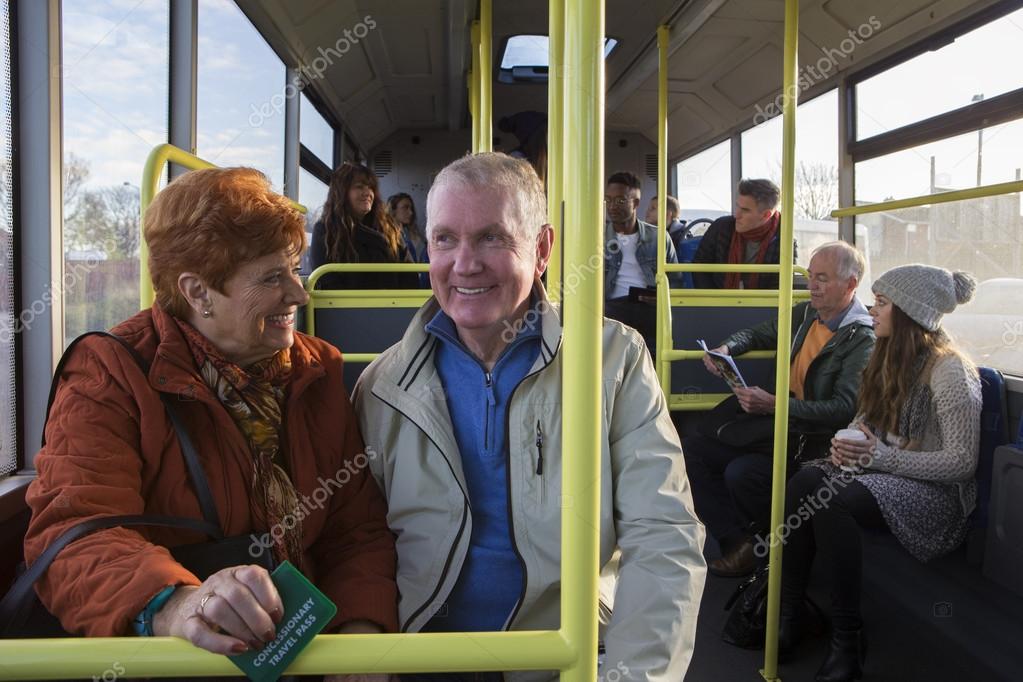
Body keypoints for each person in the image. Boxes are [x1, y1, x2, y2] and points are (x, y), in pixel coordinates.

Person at [22, 168, 397, 680]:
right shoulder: (110, 375)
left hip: (308, 651)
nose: (299, 293)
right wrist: (178, 605)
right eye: (271, 277)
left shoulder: (317, 371)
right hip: (182, 661)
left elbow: (355, 529)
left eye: (294, 267)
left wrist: (362, 632)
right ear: (198, 291)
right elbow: (74, 534)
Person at [353, 153, 706, 681]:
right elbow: (357, 541)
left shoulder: (612, 360)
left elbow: (663, 534)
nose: (464, 263)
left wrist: (630, 677)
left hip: (564, 655)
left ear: (542, 249)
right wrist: (369, 641)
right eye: (445, 239)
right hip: (419, 654)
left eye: (492, 238)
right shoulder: (383, 385)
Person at [779, 264, 980, 682]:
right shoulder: (884, 357)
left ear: (909, 313)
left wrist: (876, 459)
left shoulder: (950, 371)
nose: (872, 309)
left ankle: (846, 640)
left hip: (936, 495)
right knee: (804, 481)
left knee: (834, 501)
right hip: (885, 473)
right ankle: (790, 610)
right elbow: (865, 423)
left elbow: (962, 462)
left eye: (883, 303)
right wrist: (848, 442)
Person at [684, 241, 875, 577]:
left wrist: (776, 404)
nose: (812, 286)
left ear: (851, 284)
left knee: (741, 473)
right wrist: (728, 347)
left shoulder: (861, 339)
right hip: (774, 424)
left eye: (823, 279)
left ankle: (768, 549)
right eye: (811, 276)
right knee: (692, 452)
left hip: (809, 437)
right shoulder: (804, 315)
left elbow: (843, 409)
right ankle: (739, 543)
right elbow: (758, 334)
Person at [604, 171, 682, 351]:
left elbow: (675, 280)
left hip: (649, 308)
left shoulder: (659, 237)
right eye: (608, 200)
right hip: (611, 307)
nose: (612, 206)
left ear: (636, 203)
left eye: (621, 200)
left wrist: (660, 298)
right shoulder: (596, 237)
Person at [311, 162, 419, 290]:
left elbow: (409, 274)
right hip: (345, 307)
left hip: (393, 306)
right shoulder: (326, 230)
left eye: (370, 188)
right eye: (359, 187)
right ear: (342, 192)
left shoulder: (389, 228)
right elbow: (326, 282)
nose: (367, 192)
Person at [692, 178, 795, 289]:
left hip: (762, 304)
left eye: (745, 210)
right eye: (737, 206)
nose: (736, 215)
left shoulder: (784, 239)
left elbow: (781, 285)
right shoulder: (721, 227)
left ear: (766, 215)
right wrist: (714, 301)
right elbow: (700, 268)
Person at [388, 192, 430, 288]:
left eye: (411, 208)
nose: (410, 213)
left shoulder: (412, 233)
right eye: (405, 208)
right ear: (393, 210)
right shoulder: (390, 236)